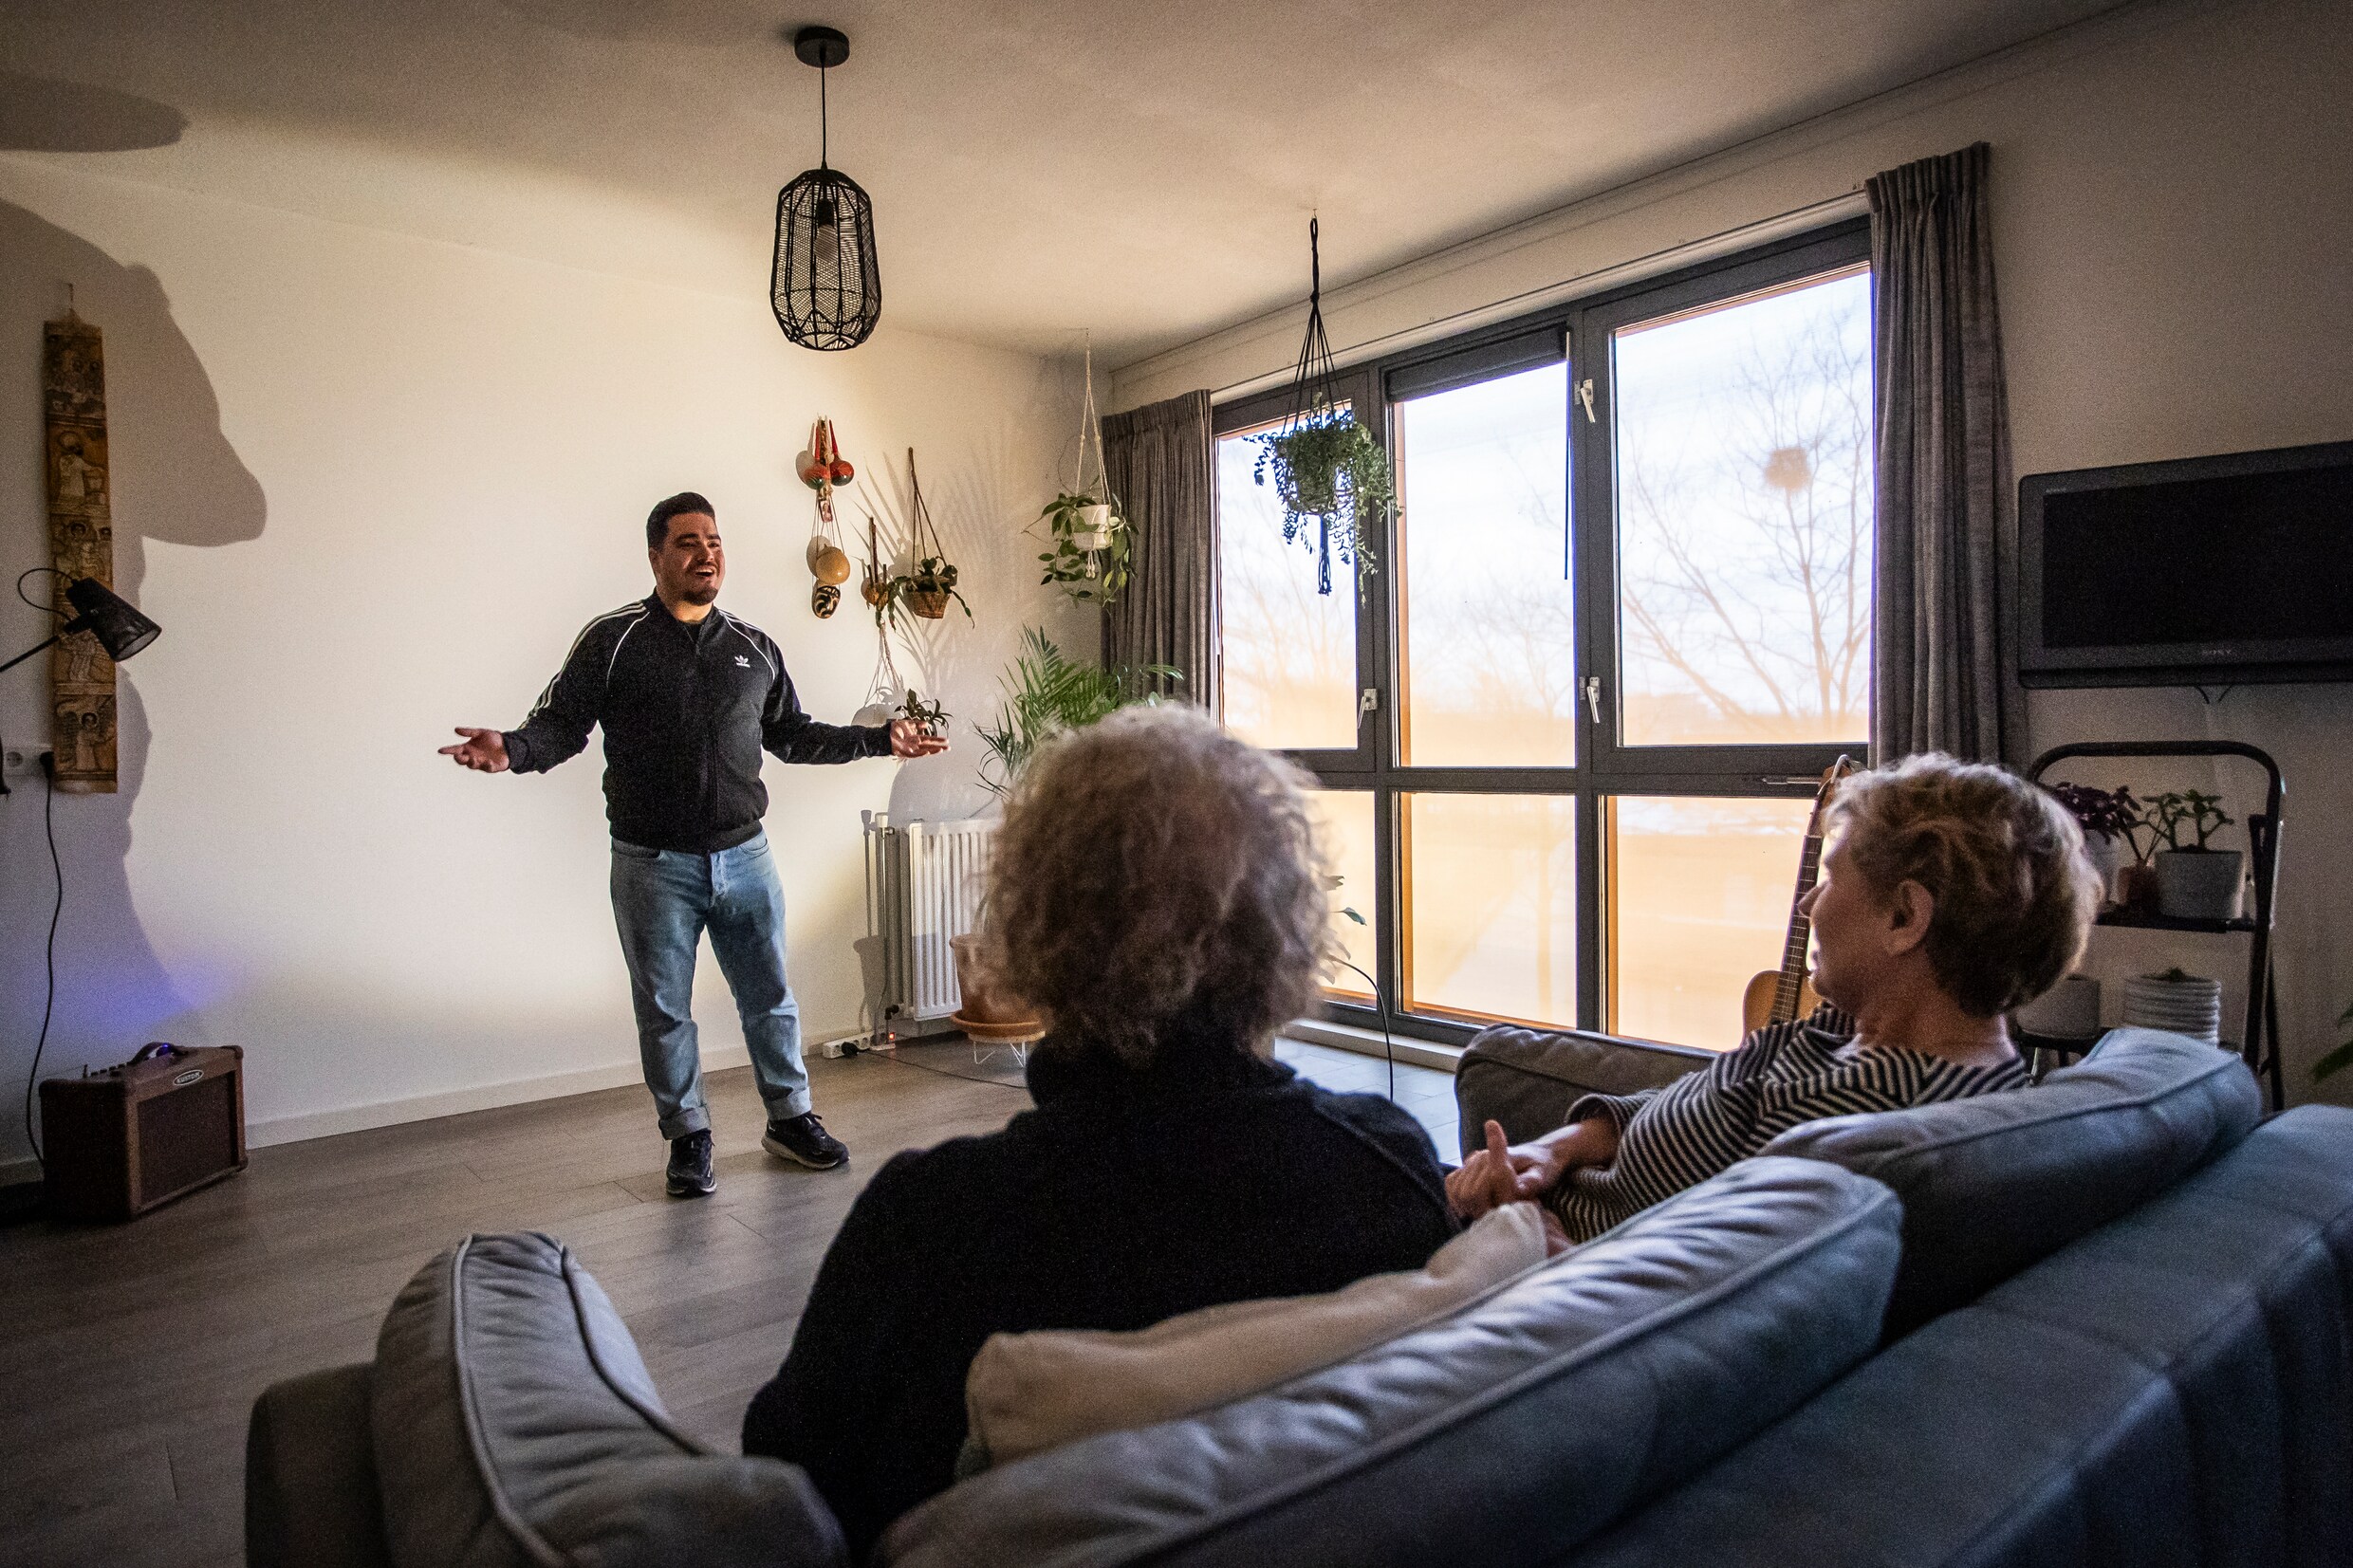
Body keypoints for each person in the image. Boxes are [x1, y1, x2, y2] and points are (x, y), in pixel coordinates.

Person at [741, 706, 1456, 1556]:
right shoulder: (1392, 1167)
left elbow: (788, 1488)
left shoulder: (937, 1223)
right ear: (1284, 928)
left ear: (1037, 926)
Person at [440, 492, 945, 1197]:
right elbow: (561, 724)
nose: (705, 552)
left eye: (713, 540)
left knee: (770, 998)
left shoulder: (752, 646)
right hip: (652, 866)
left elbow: (793, 734)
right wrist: (514, 751)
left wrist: (877, 738)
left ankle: (790, 1119)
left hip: (747, 856)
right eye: (687, 542)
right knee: (666, 1011)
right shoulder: (612, 641)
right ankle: (688, 1137)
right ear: (656, 557)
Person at [1451, 751, 2102, 1243]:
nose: (1807, 902)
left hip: (1521, 1269)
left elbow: (1679, 1296)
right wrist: (1555, 1148)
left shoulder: (1850, 1133)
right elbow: (1692, 1102)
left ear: (1905, 917)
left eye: (1829, 877)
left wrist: (1527, 1231)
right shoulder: (1857, 1037)